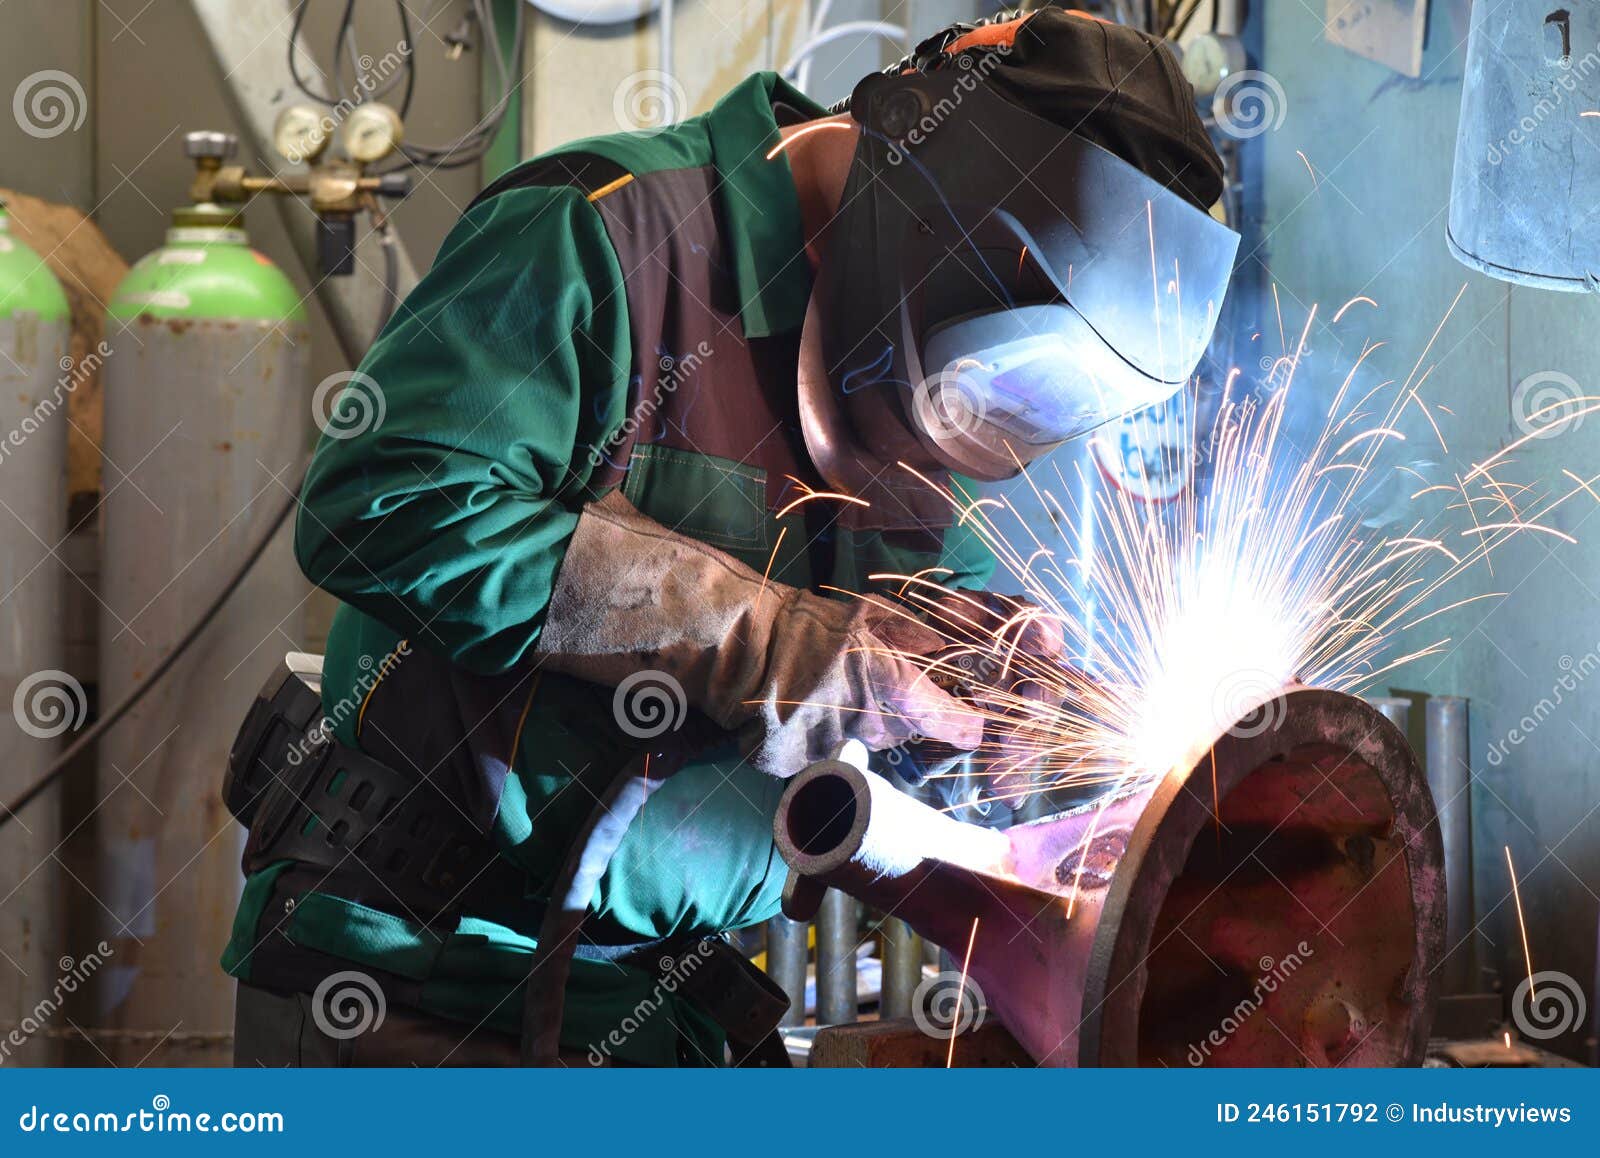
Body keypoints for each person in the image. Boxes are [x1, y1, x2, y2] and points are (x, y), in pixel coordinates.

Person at [223, 7, 1237, 1067]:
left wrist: (977, 711)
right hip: (414, 986)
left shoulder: (936, 381)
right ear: (937, 206)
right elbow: (385, 505)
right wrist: (760, 641)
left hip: (661, 1010)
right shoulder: (605, 230)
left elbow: (875, 738)